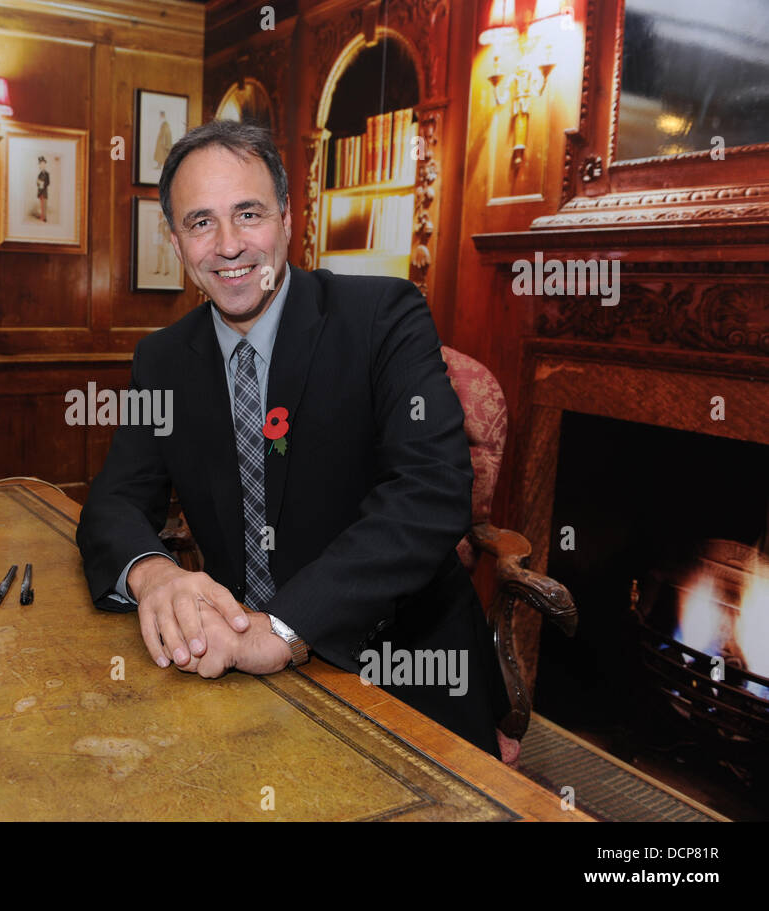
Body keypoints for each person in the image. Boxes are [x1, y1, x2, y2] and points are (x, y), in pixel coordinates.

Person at [75, 119, 508, 758]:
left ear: (285, 216)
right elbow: (114, 501)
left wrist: (283, 628)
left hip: (399, 667)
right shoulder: (162, 360)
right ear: (175, 241)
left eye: (247, 214)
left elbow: (431, 491)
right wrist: (156, 575)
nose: (227, 245)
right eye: (200, 223)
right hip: (231, 670)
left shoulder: (383, 317)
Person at [35, 155, 50, 222]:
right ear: (39, 165)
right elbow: (37, 183)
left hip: (44, 191)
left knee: (44, 204)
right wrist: (38, 183)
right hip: (40, 191)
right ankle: (42, 216)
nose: (42, 165)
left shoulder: (47, 174)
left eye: (43, 164)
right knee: (41, 204)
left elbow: (48, 182)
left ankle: (44, 217)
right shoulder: (39, 174)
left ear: (45, 164)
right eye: (40, 164)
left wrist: (43, 184)